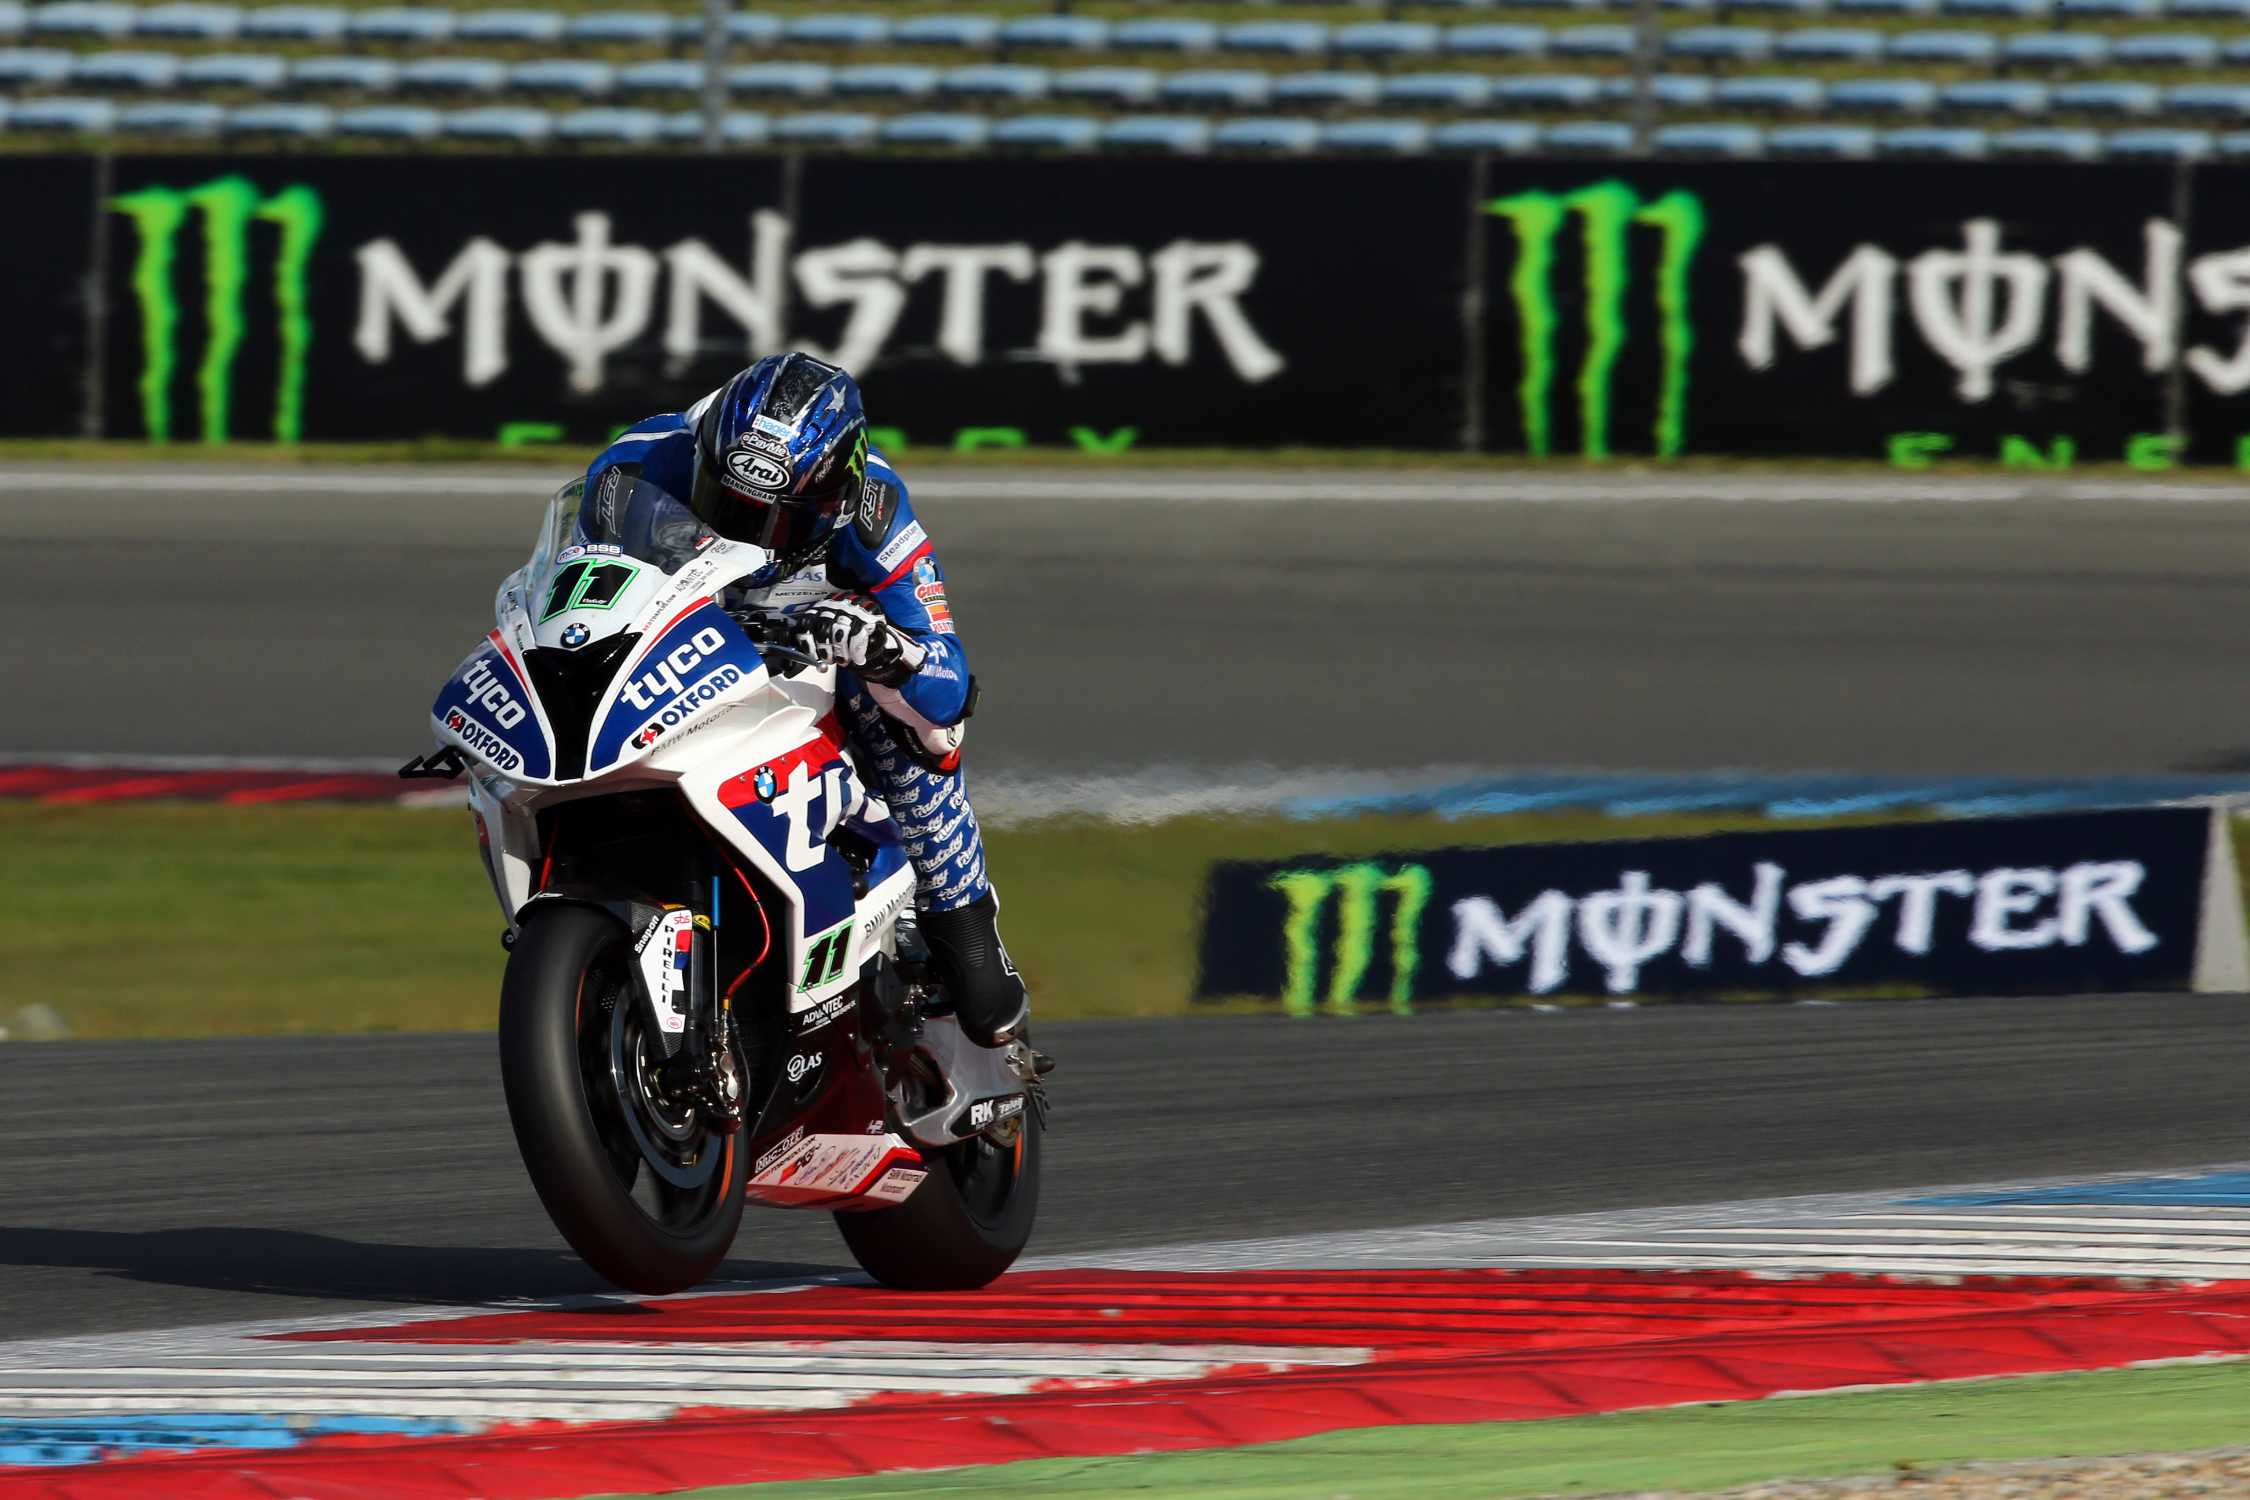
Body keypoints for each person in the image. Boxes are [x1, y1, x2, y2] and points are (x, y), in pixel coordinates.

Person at [582, 351, 1029, 1048]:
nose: (745, 532)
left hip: (809, 664)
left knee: (920, 726)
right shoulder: (632, 466)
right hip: (679, 654)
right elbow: (584, 591)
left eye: (773, 519)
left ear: (833, 500)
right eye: (726, 503)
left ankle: (961, 918)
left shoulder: (876, 510)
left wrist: (883, 649)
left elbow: (946, 682)